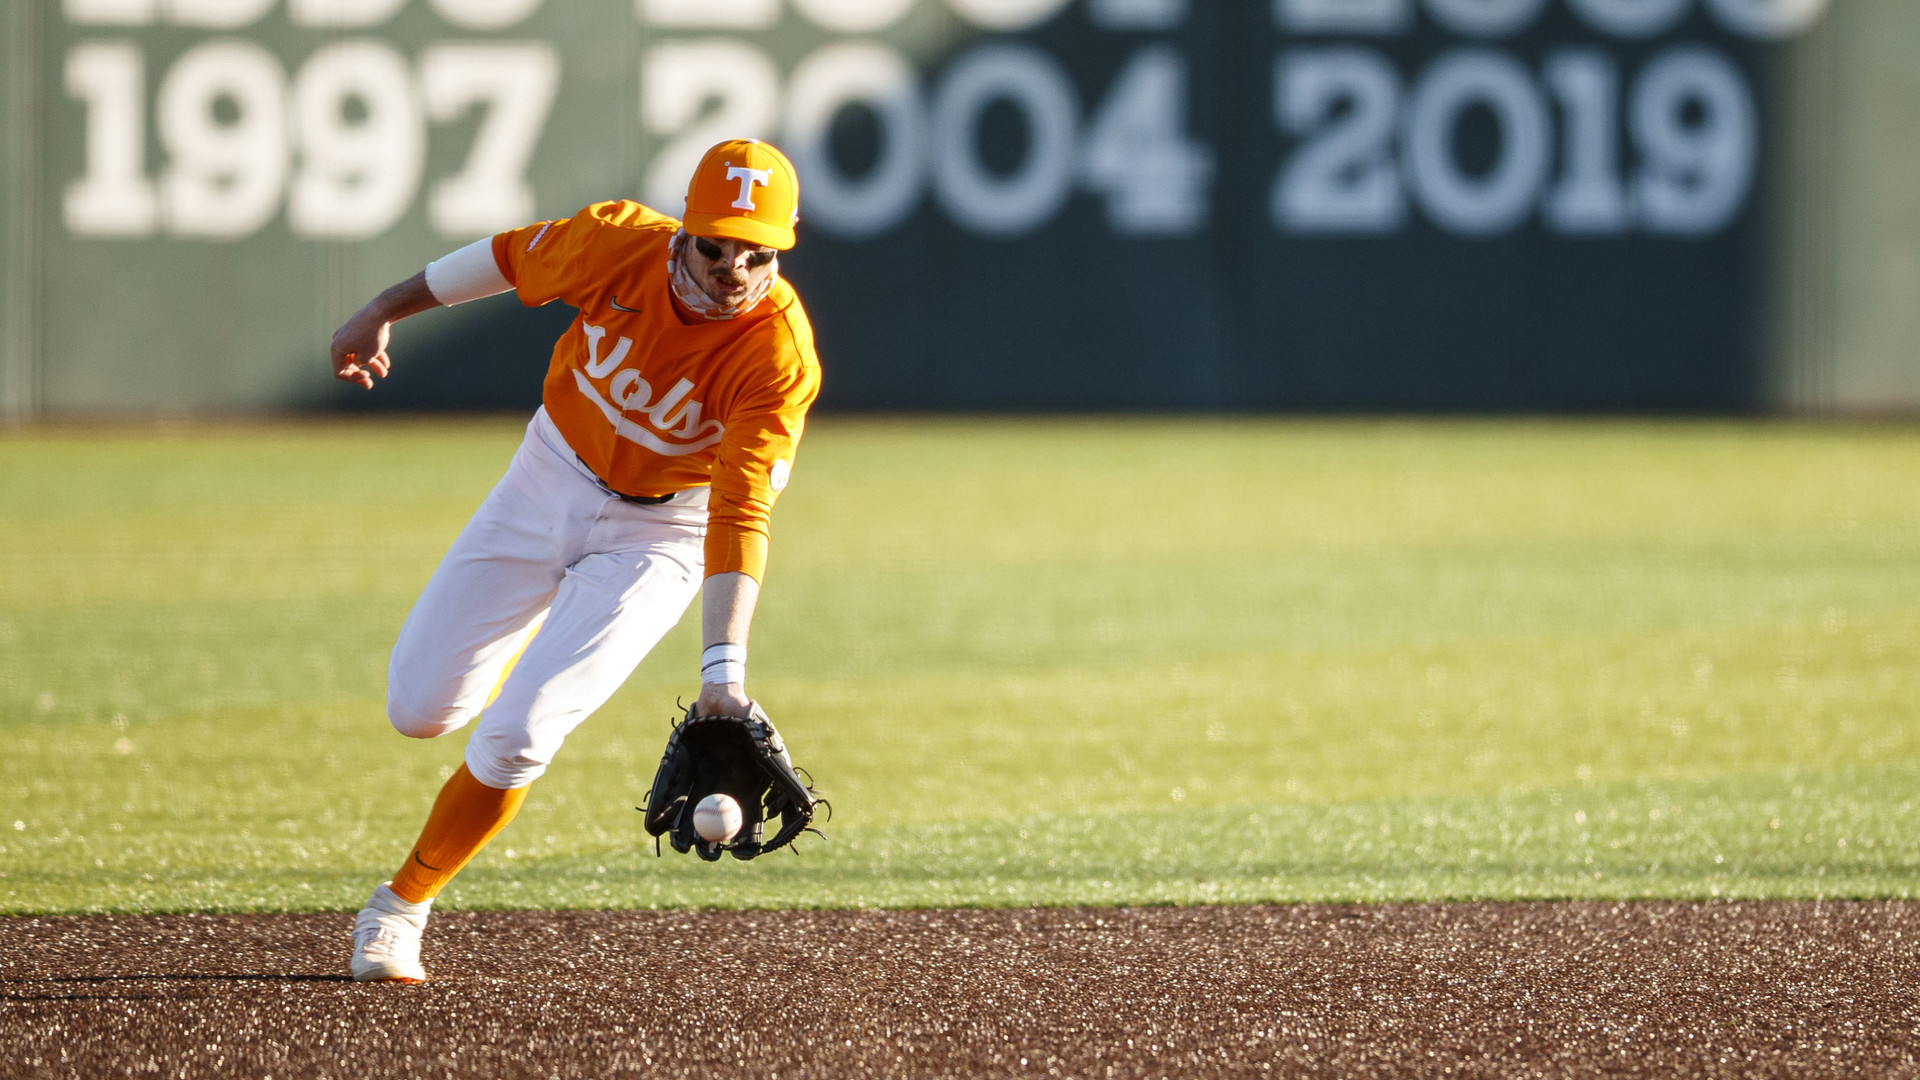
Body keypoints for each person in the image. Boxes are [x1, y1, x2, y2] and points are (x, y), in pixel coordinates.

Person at [328, 139, 819, 983]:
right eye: (716, 243)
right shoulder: (616, 244)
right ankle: (519, 655)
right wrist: (384, 306)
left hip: (660, 536)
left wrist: (723, 673)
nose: (736, 266)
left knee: (520, 734)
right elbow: (508, 259)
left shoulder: (777, 353)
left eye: (759, 251)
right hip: (546, 475)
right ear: (685, 231)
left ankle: (399, 907)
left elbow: (741, 514)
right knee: (418, 708)